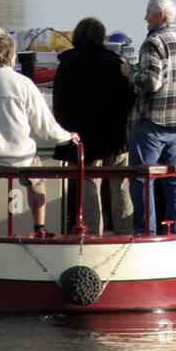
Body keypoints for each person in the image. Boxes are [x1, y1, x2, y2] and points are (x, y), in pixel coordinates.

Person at [0, 28, 78, 239]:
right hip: (20, 158)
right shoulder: (24, 85)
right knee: (37, 182)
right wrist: (69, 136)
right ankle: (39, 228)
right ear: (13, 56)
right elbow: (46, 129)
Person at [52, 17, 136, 234]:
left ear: (76, 38)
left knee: (89, 184)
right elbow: (129, 100)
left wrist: (69, 131)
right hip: (116, 138)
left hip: (83, 140)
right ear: (102, 39)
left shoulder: (67, 65)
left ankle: (91, 234)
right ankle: (126, 231)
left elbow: (60, 106)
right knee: (121, 185)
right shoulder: (115, 63)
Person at [121, 0, 176, 235]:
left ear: (160, 16)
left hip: (153, 122)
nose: (145, 18)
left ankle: (146, 233)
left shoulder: (153, 42)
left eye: (148, 14)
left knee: (142, 179)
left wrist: (128, 73)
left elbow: (152, 82)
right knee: (173, 179)